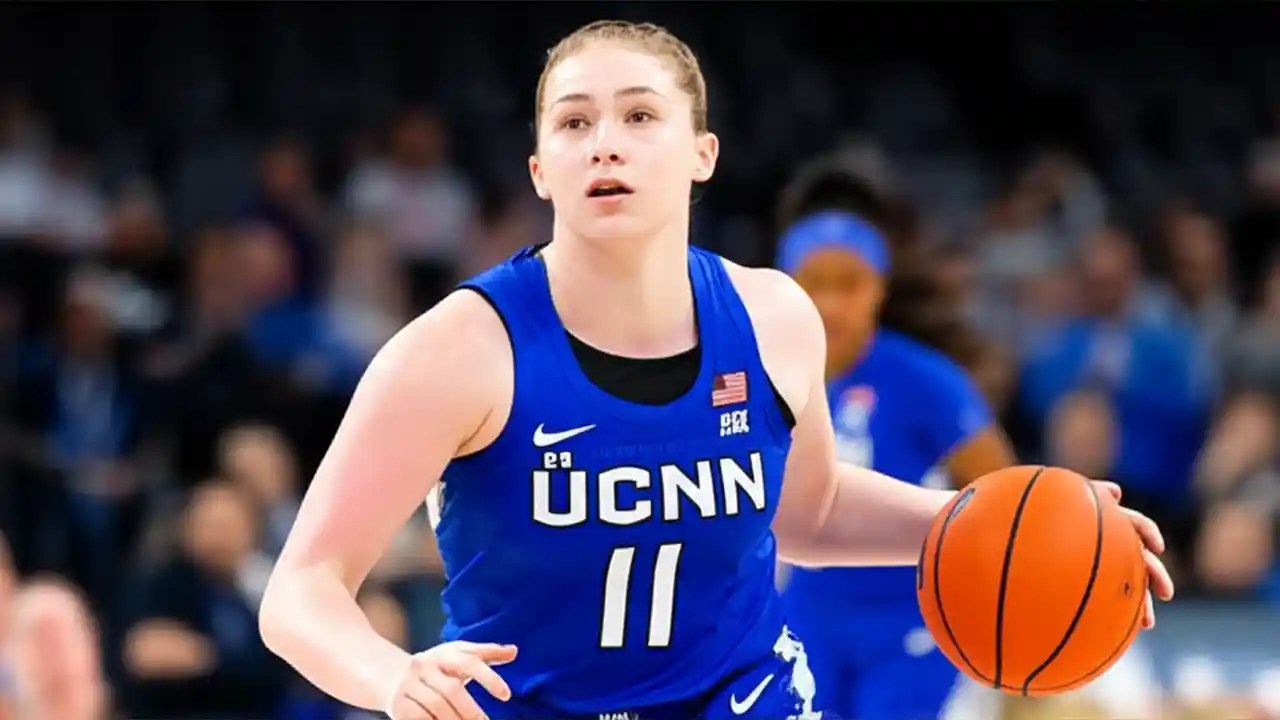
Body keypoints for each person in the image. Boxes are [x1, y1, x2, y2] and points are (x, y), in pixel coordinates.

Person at [258, 19, 1173, 720]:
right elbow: (300, 590)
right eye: (574, 122)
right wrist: (395, 677)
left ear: (702, 156)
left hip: (744, 698)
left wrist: (1024, 522)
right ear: (541, 169)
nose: (605, 141)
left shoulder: (775, 317)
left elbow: (805, 510)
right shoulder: (456, 350)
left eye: (640, 115)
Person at [772, 161, 1017, 720]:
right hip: (806, 614)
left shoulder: (926, 381)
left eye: (849, 283)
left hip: (911, 624)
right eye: (816, 283)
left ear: (879, 289)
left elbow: (1005, 497)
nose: (831, 303)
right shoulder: (757, 377)